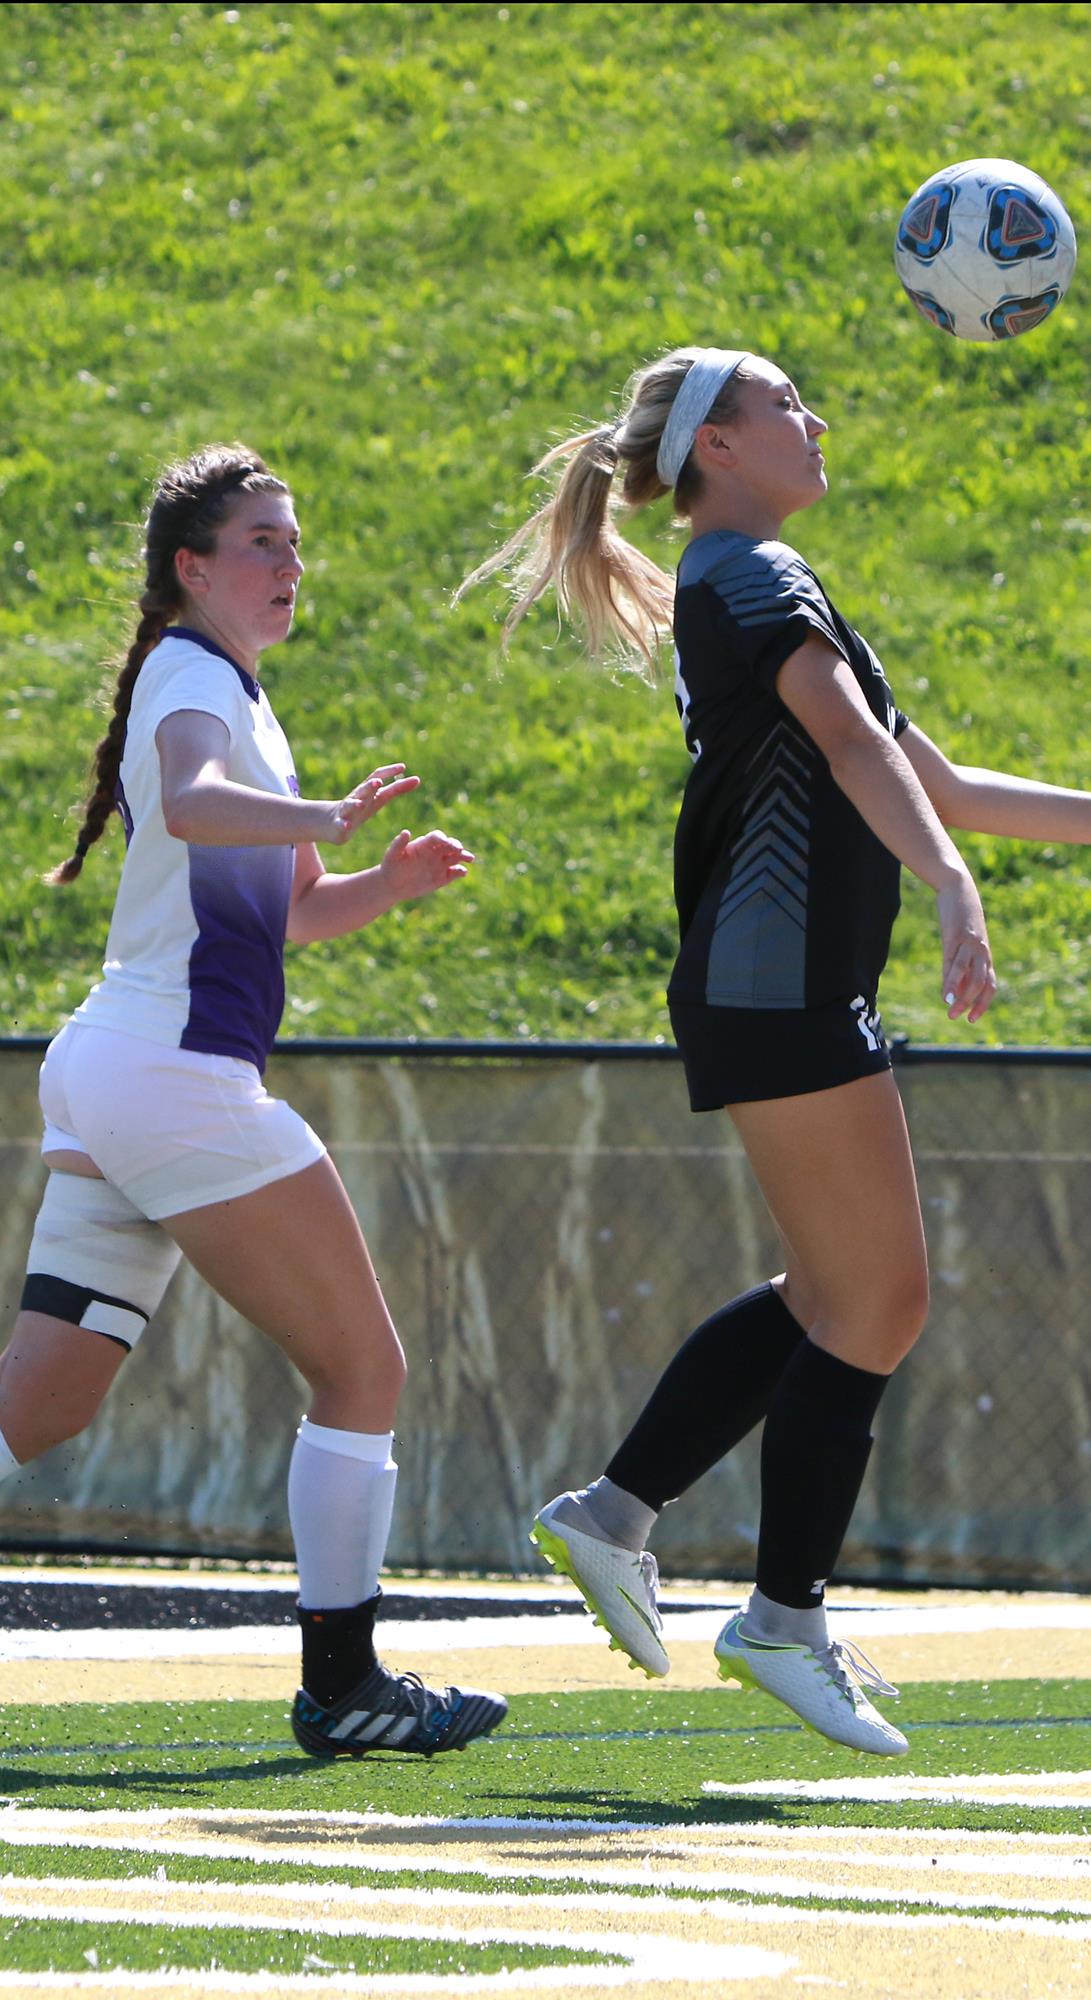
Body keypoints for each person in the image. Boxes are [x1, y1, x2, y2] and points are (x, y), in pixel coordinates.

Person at [460, 347, 1091, 1755]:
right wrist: (948, 884)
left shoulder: (753, 576)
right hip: (776, 986)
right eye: (781, 403)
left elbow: (924, 775)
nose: (812, 418)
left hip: (773, 983)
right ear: (714, 446)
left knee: (837, 1290)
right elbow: (847, 746)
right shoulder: (752, 578)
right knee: (876, 1300)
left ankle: (616, 1513)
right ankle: (778, 1619)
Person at [1, 444, 507, 1759]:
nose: (290, 565)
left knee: (39, 1411)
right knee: (362, 1367)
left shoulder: (234, 693)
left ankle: (345, 1682)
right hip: (171, 1077)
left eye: (294, 542)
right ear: (192, 569)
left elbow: (276, 909)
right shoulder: (191, 678)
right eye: (263, 544)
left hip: (119, 1070)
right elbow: (192, 797)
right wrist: (323, 813)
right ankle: (343, 1683)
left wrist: (378, 884)